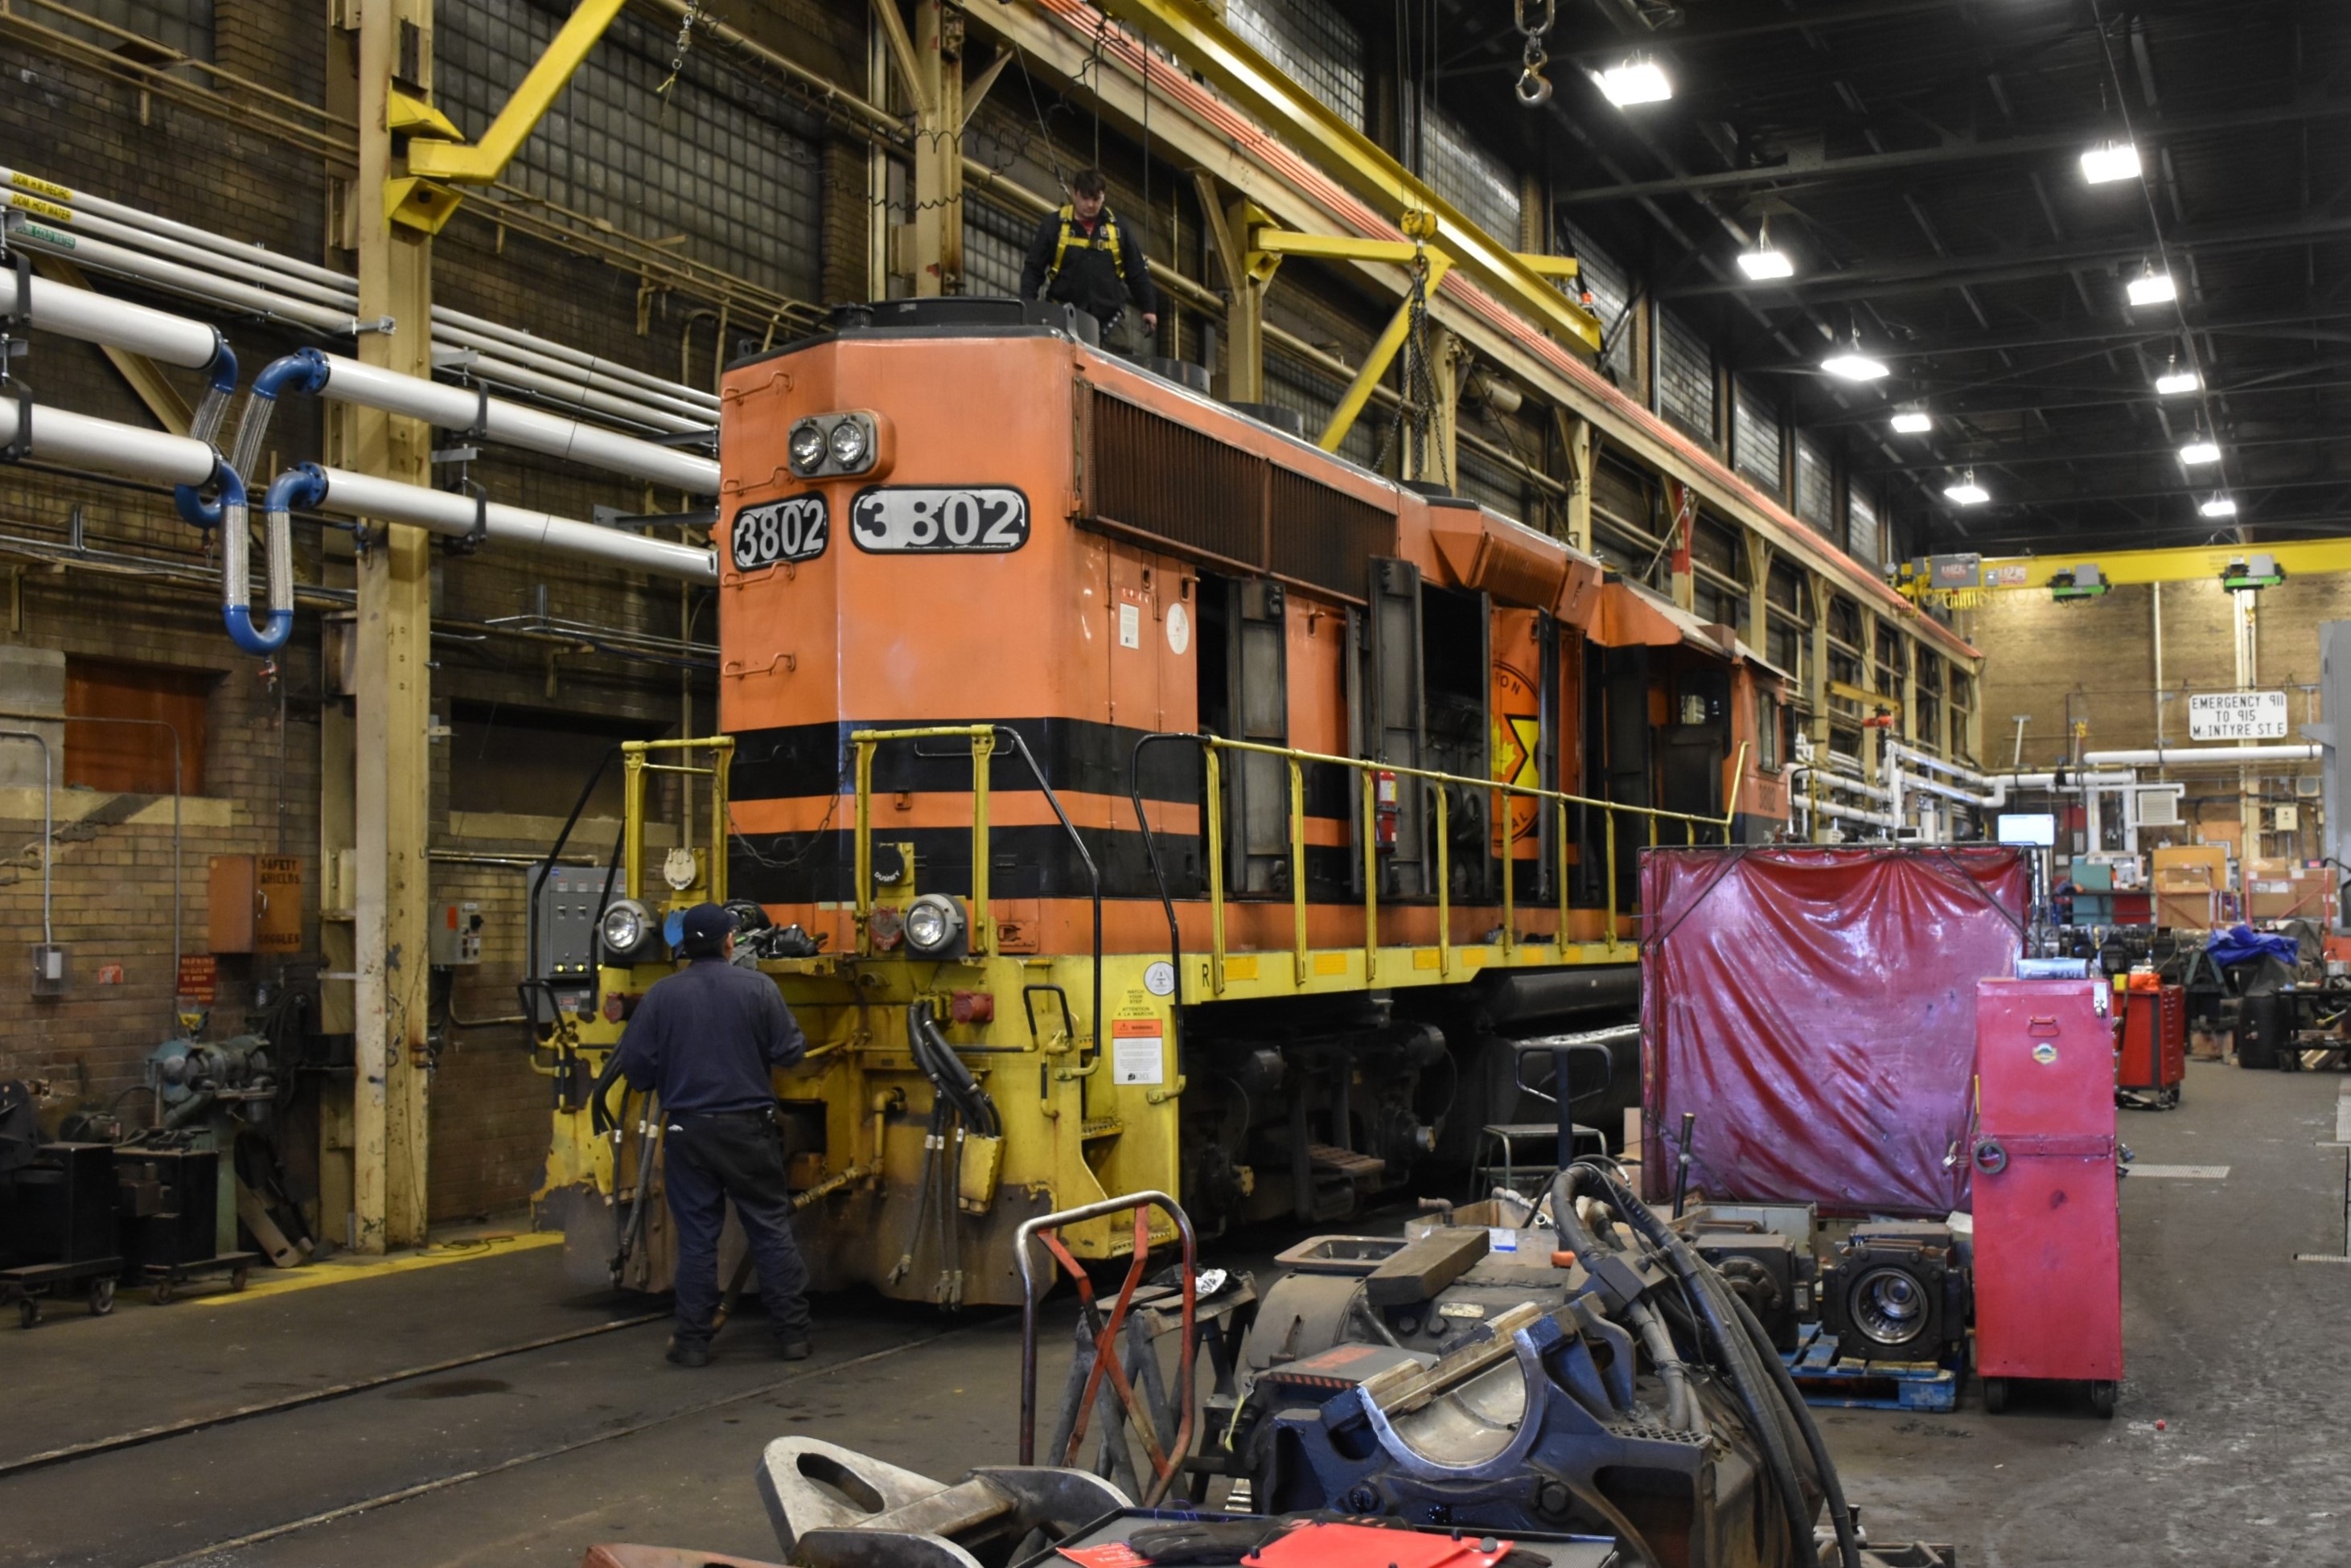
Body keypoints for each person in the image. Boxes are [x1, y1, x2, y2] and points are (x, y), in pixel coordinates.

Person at [606, 901, 813, 1367]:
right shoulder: (759, 988)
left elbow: (636, 1067)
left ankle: (693, 1343)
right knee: (769, 1228)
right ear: (729, 942)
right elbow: (790, 1052)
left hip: (688, 1130)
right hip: (748, 1130)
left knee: (698, 1238)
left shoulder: (661, 995)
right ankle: (793, 1337)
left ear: (685, 945)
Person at [1020, 167, 1160, 349]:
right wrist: (1027, 306)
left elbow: (1136, 270)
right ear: (1075, 193)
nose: (1090, 205)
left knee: (1119, 363)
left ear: (1104, 197)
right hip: (1064, 319)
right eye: (1085, 198)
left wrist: (1149, 308)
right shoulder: (1054, 226)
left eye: (1096, 199)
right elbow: (1033, 269)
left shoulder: (1117, 228)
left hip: (1110, 322)